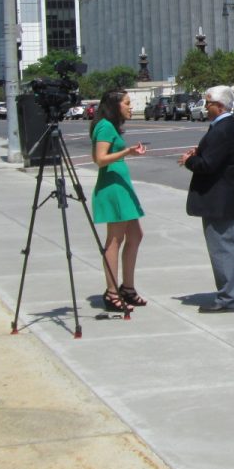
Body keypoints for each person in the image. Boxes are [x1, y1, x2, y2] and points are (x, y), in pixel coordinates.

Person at [178, 85, 234, 313]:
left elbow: (208, 165)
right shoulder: (230, 126)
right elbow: (218, 157)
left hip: (218, 200)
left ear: (219, 106)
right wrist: (200, 152)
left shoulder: (221, 130)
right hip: (233, 198)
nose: (205, 106)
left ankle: (228, 297)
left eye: (208, 103)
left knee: (223, 249)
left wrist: (189, 161)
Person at [90, 90, 148, 313]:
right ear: (115, 106)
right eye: (127, 103)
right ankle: (112, 292)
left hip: (121, 186)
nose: (130, 107)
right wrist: (127, 152)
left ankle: (127, 288)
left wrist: (128, 152)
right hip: (113, 187)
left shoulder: (110, 126)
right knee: (115, 239)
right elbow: (99, 159)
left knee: (135, 235)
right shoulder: (105, 126)